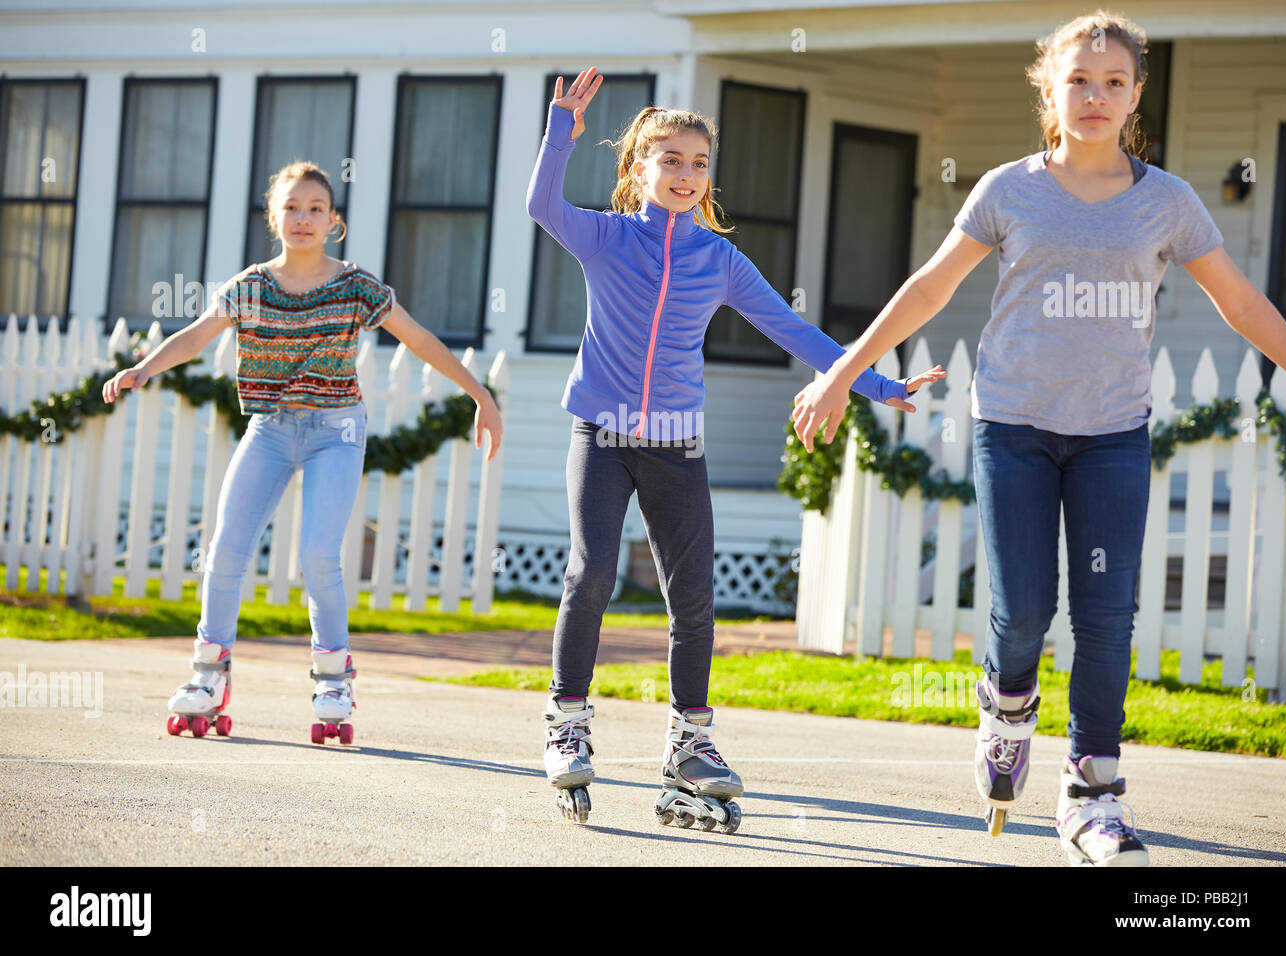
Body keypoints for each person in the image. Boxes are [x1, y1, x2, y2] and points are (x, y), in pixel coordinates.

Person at [790, 10, 1286, 866]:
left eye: (1113, 81)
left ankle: (1092, 798)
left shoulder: (1168, 202)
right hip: (1015, 428)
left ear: (1137, 93)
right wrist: (842, 372)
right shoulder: (1006, 190)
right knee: (1024, 608)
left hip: (1111, 438)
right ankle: (1008, 709)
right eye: (1078, 79)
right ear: (1048, 88)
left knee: (1106, 618)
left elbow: (1242, 304)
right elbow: (927, 289)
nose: (1094, 95)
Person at [526, 68, 944, 829]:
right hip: (602, 436)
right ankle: (567, 723)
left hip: (677, 446)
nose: (686, 175)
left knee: (694, 597)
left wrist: (878, 386)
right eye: (671, 160)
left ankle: (690, 743)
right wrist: (561, 132)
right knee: (593, 572)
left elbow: (793, 331)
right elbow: (540, 205)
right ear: (639, 169)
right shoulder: (605, 236)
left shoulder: (719, 261)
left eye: (698, 163)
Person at [103, 160, 503, 744]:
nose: (303, 218)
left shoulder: (357, 287)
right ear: (273, 217)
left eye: (316, 208)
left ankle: (333, 678)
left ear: (333, 221)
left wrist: (480, 394)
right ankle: (208, 674)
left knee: (319, 554)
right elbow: (194, 335)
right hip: (268, 428)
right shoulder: (251, 286)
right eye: (291, 207)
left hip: (335, 431)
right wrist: (142, 367)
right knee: (225, 548)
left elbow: (418, 339)